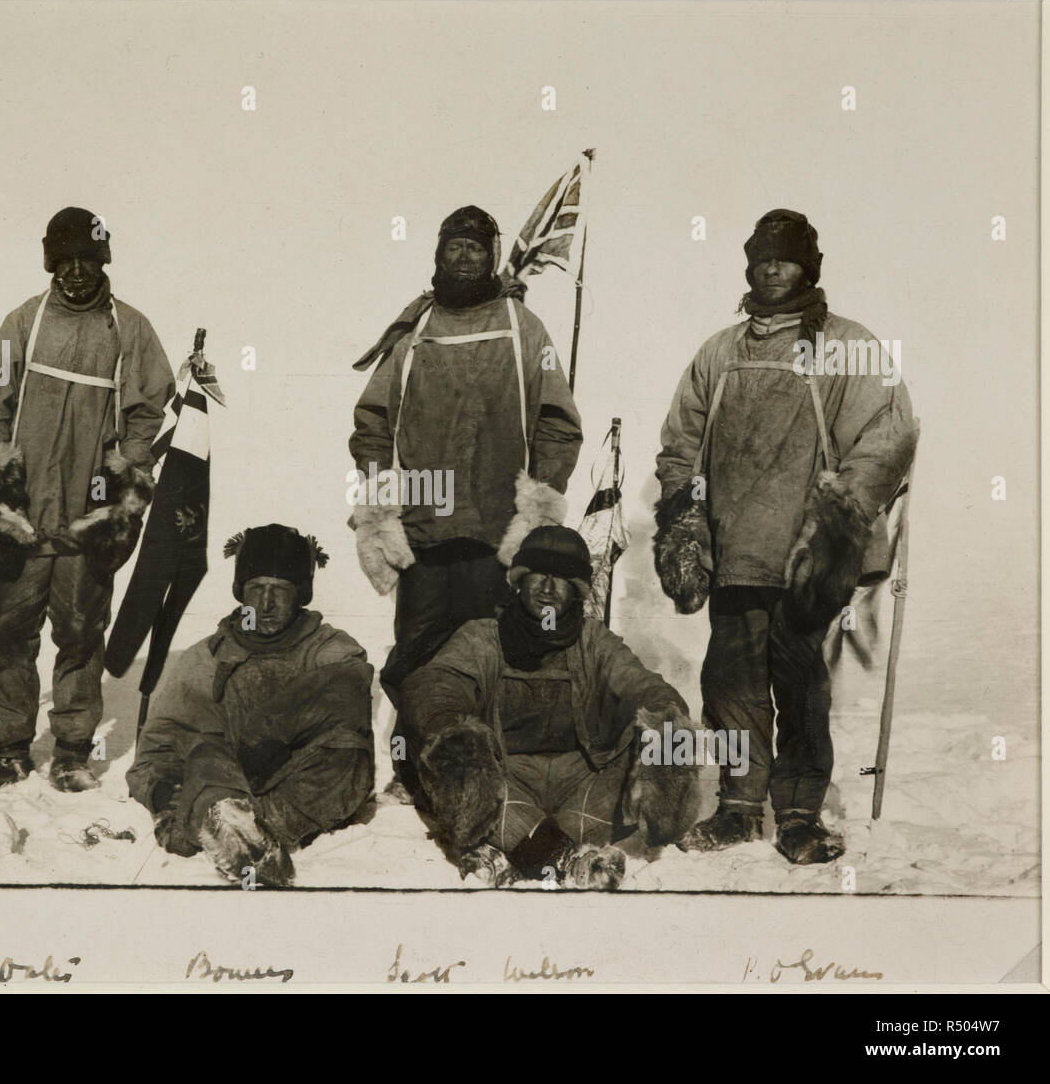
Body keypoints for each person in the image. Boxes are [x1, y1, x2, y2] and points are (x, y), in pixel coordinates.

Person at [653, 208, 918, 864]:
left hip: (804, 556)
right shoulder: (720, 351)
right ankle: (741, 808)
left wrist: (839, 512)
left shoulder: (844, 345)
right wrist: (684, 514)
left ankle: (798, 814)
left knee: (798, 682)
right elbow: (682, 440)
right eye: (763, 257)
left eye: (787, 258)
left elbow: (888, 432)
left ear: (809, 267)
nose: (773, 268)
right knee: (729, 682)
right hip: (734, 549)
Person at [349, 204, 583, 792]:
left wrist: (541, 501)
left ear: (492, 256)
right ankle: (410, 770)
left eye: (474, 248)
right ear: (437, 254)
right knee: (416, 651)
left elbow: (558, 421)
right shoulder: (416, 331)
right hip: (424, 526)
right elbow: (373, 421)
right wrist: (379, 501)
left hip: (496, 527)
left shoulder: (521, 326)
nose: (462, 256)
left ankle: (485, 767)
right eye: (452, 245)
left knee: (490, 650)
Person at [0, 206, 174, 792]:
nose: (76, 272)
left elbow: (147, 413)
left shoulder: (130, 330)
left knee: (80, 634)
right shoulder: (24, 323)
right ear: (51, 262)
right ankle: (7, 749)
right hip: (22, 517)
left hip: (86, 518)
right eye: (65, 260)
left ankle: (73, 749)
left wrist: (120, 489)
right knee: (5, 632)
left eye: (88, 259)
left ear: (103, 260)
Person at [401, 526, 700, 890]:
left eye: (561, 578)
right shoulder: (483, 636)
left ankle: (514, 852)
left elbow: (643, 685)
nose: (547, 586)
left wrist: (667, 723)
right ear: (519, 581)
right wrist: (448, 726)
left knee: (657, 734)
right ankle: (564, 858)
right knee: (461, 766)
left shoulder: (594, 641)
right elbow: (437, 683)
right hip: (506, 779)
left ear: (576, 590)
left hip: (581, 781)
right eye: (538, 574)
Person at [127, 525, 374, 887]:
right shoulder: (207, 657)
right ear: (241, 592)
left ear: (301, 594)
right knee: (204, 753)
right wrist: (164, 793)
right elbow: (160, 745)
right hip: (228, 779)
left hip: (298, 782)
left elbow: (349, 696)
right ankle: (229, 827)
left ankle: (240, 831)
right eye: (256, 588)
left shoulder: (328, 649)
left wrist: (274, 732)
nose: (266, 603)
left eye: (281, 590)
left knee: (348, 755)